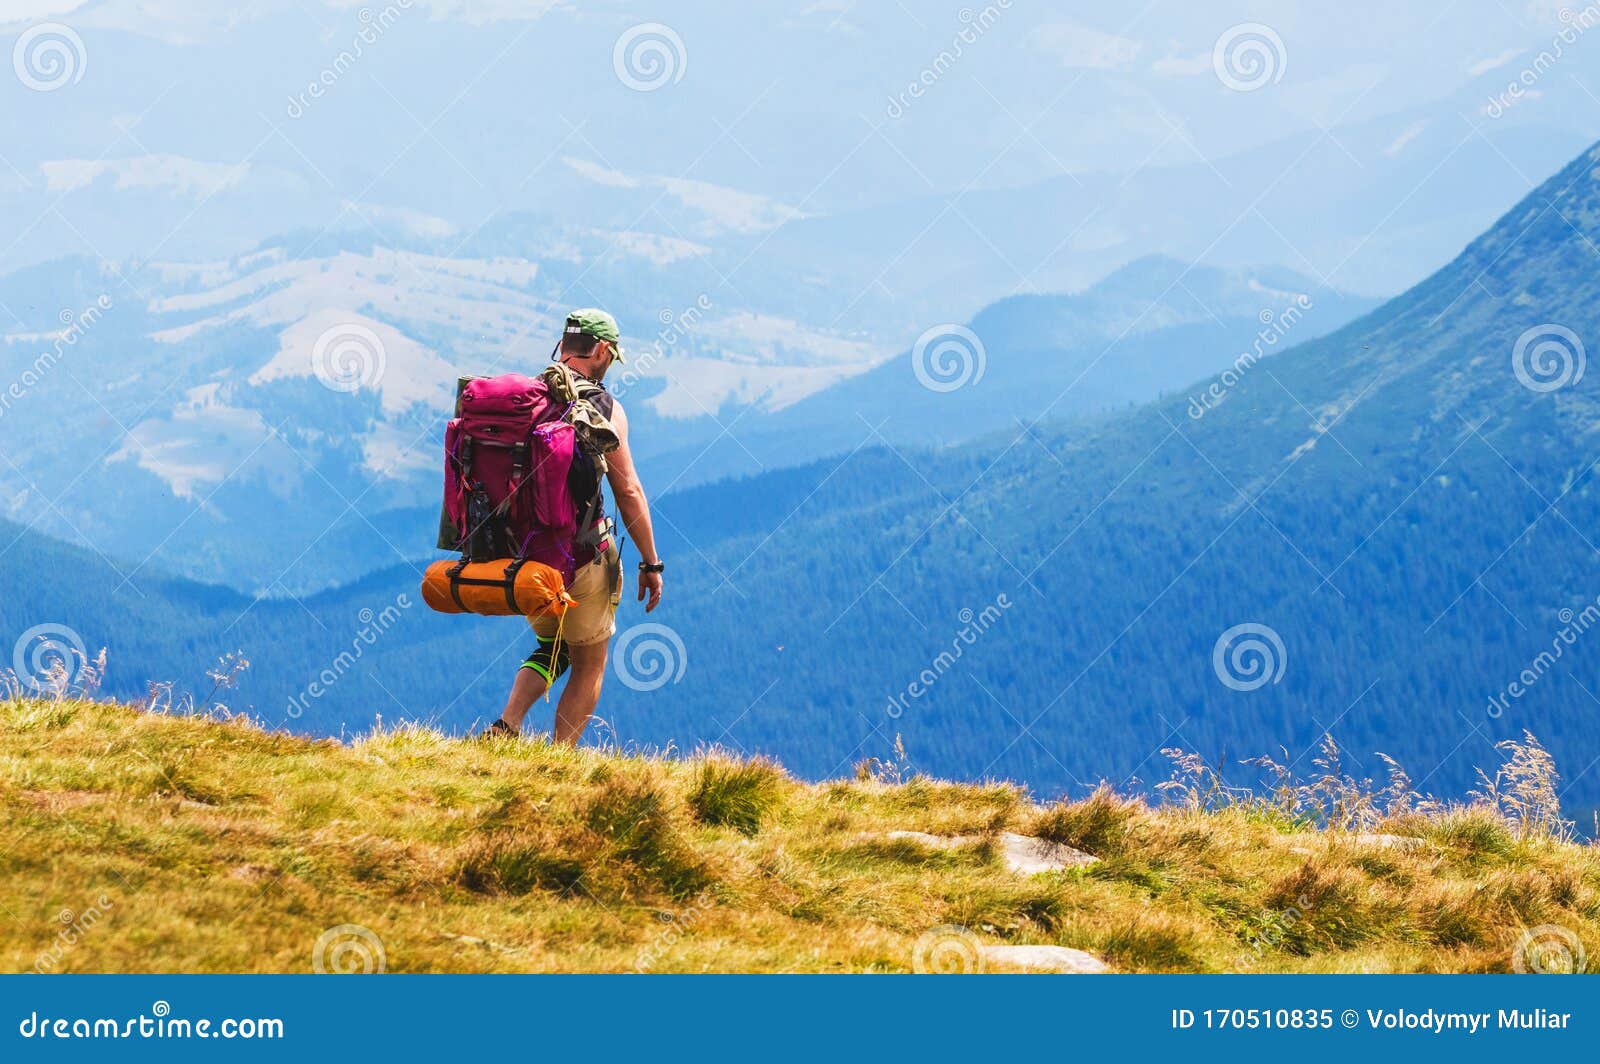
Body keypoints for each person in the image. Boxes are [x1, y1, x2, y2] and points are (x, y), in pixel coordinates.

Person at [482, 308, 664, 743]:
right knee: (590, 661)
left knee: (557, 645)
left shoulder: (529, 397)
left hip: (519, 559)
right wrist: (651, 563)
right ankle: (557, 762)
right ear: (602, 350)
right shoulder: (604, 408)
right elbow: (629, 493)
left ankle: (507, 724)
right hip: (578, 561)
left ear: (564, 346)